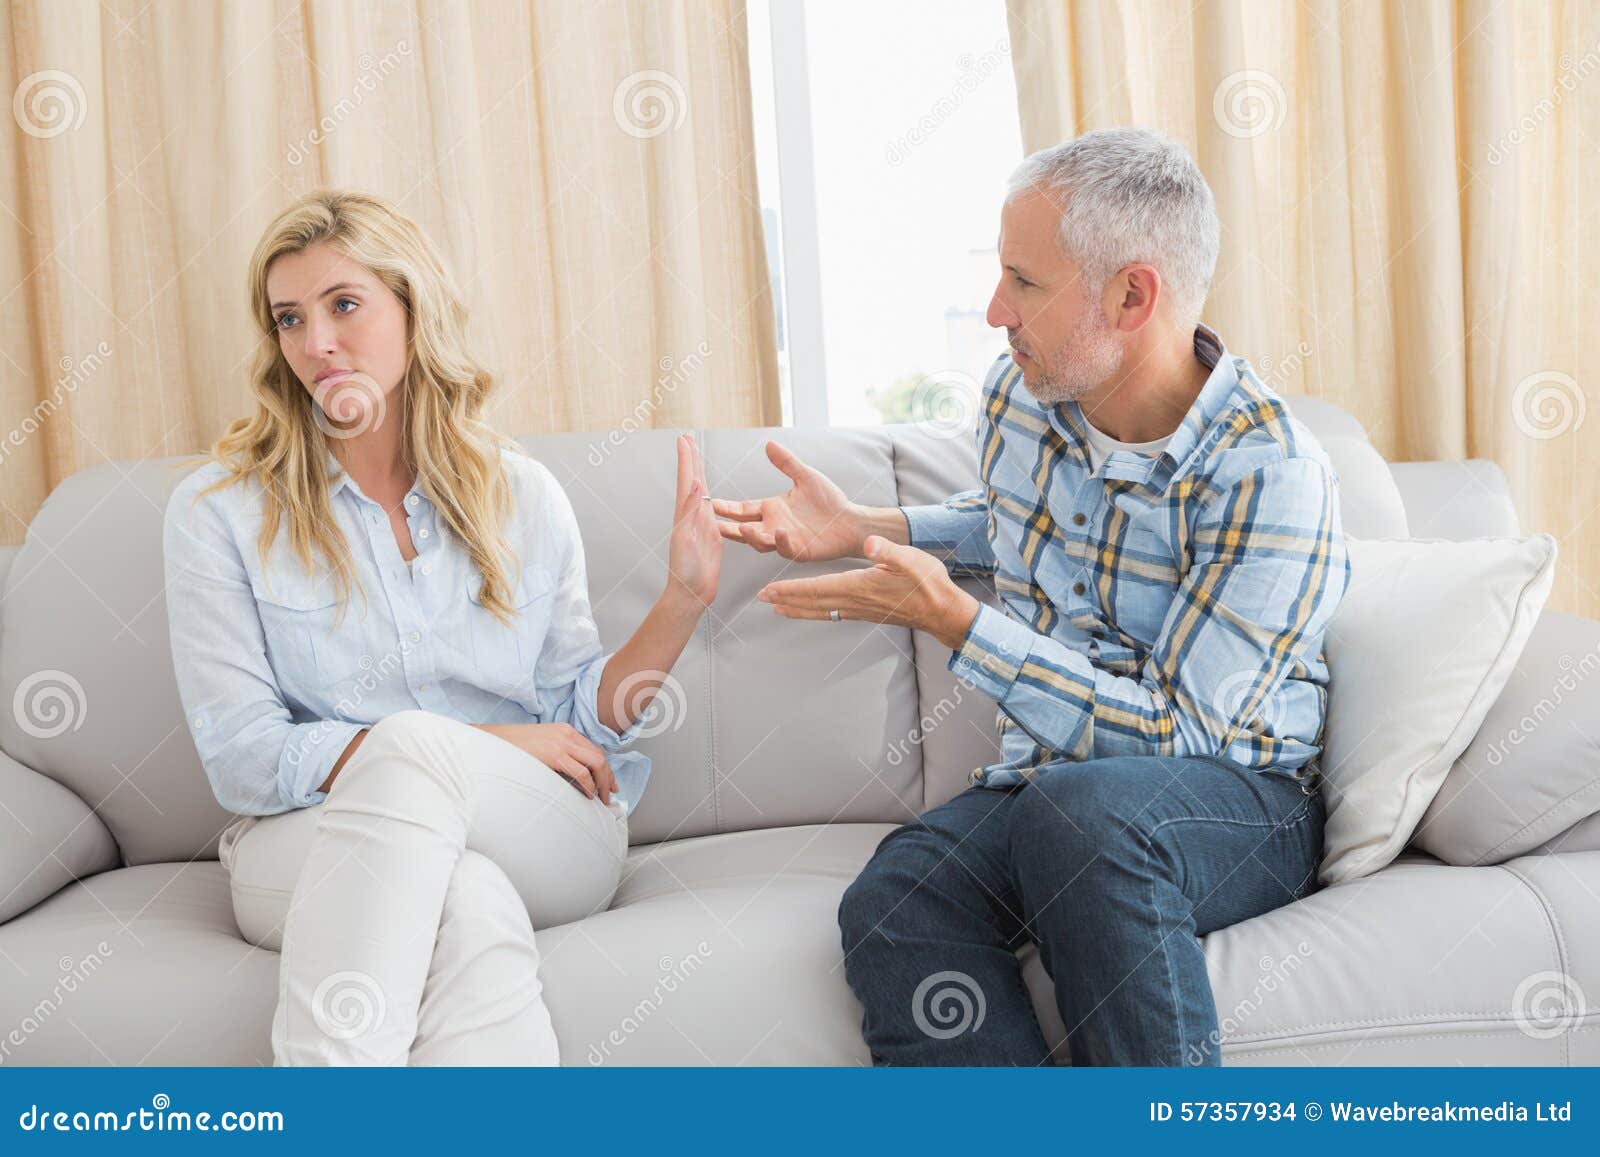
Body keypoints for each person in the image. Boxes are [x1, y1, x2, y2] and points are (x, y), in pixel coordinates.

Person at [714, 128, 1349, 1065]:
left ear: (1134, 295)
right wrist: (868, 527)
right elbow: (1017, 519)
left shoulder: (1270, 474)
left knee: (1083, 817)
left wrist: (958, 623)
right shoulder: (1026, 396)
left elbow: (1182, 735)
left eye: (1025, 281)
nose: (993, 310)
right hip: (1060, 786)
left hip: (1238, 798)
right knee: (899, 893)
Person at [164, 189, 721, 1065]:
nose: (316, 344)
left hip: (546, 830)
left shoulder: (520, 493)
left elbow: (574, 732)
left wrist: (681, 600)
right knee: (463, 898)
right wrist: (484, 740)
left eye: (344, 305)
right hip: (312, 834)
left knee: (422, 757)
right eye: (289, 318)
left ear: (412, 308)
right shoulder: (218, 512)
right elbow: (242, 758)